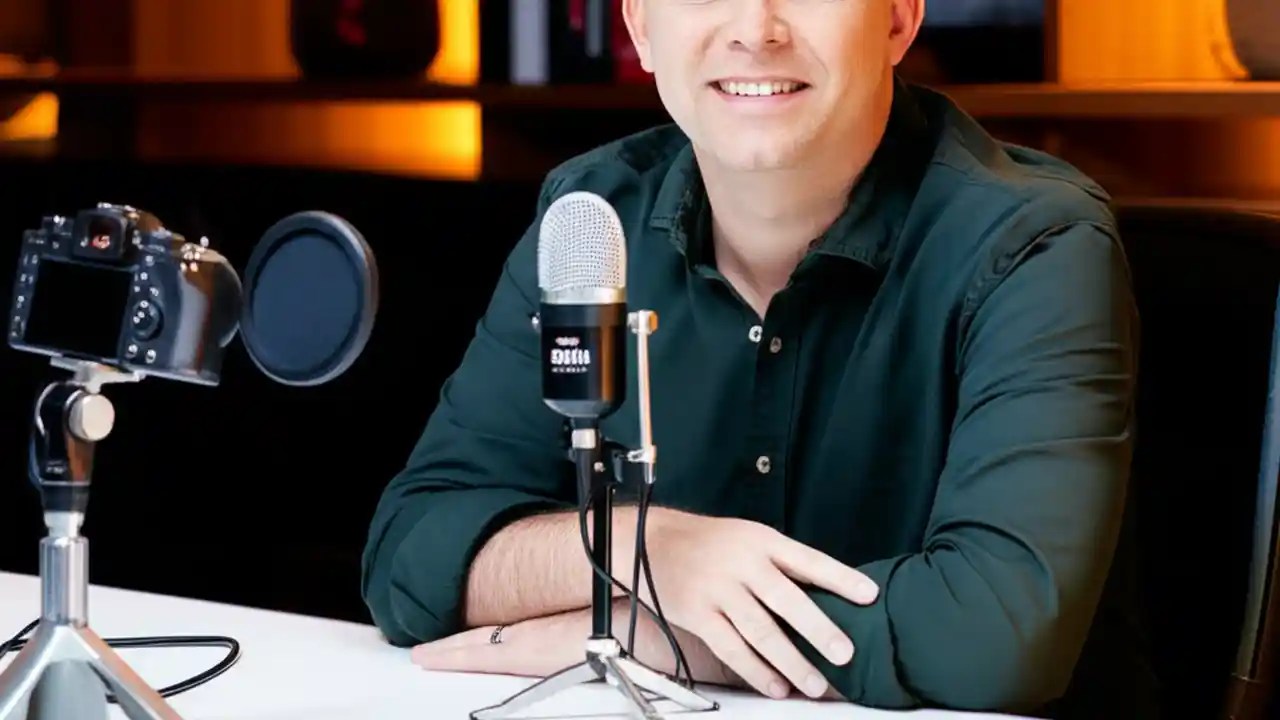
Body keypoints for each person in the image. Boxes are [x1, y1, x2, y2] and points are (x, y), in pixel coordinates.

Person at [361, 0, 1156, 716]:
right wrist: (654, 553)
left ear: (899, 19)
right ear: (640, 26)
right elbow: (413, 549)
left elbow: (997, 633)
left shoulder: (1033, 246)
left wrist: (646, 633)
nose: (755, 29)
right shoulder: (593, 215)